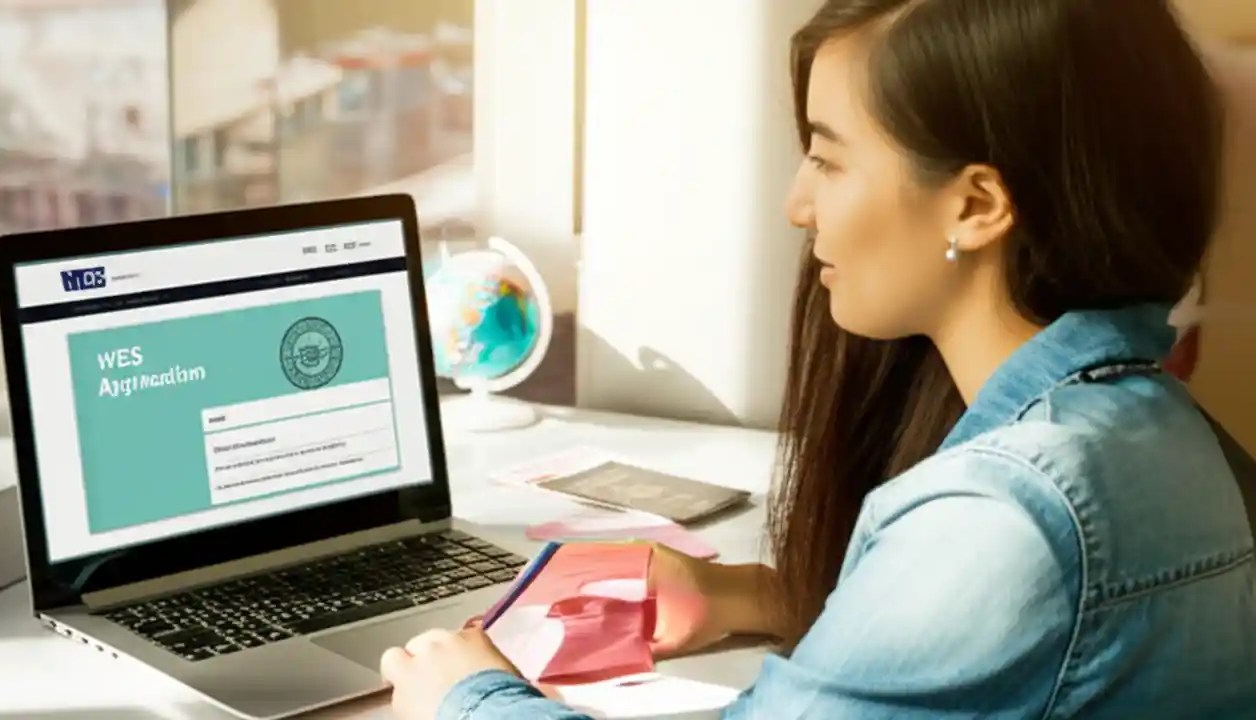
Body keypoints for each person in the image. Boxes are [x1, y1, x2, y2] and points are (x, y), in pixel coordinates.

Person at [379, 0, 1256, 717]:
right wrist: (754, 596)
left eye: (829, 162)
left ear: (977, 205)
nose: (799, 207)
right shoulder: (1155, 430)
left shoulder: (1010, 511)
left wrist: (467, 696)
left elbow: (1012, 573)